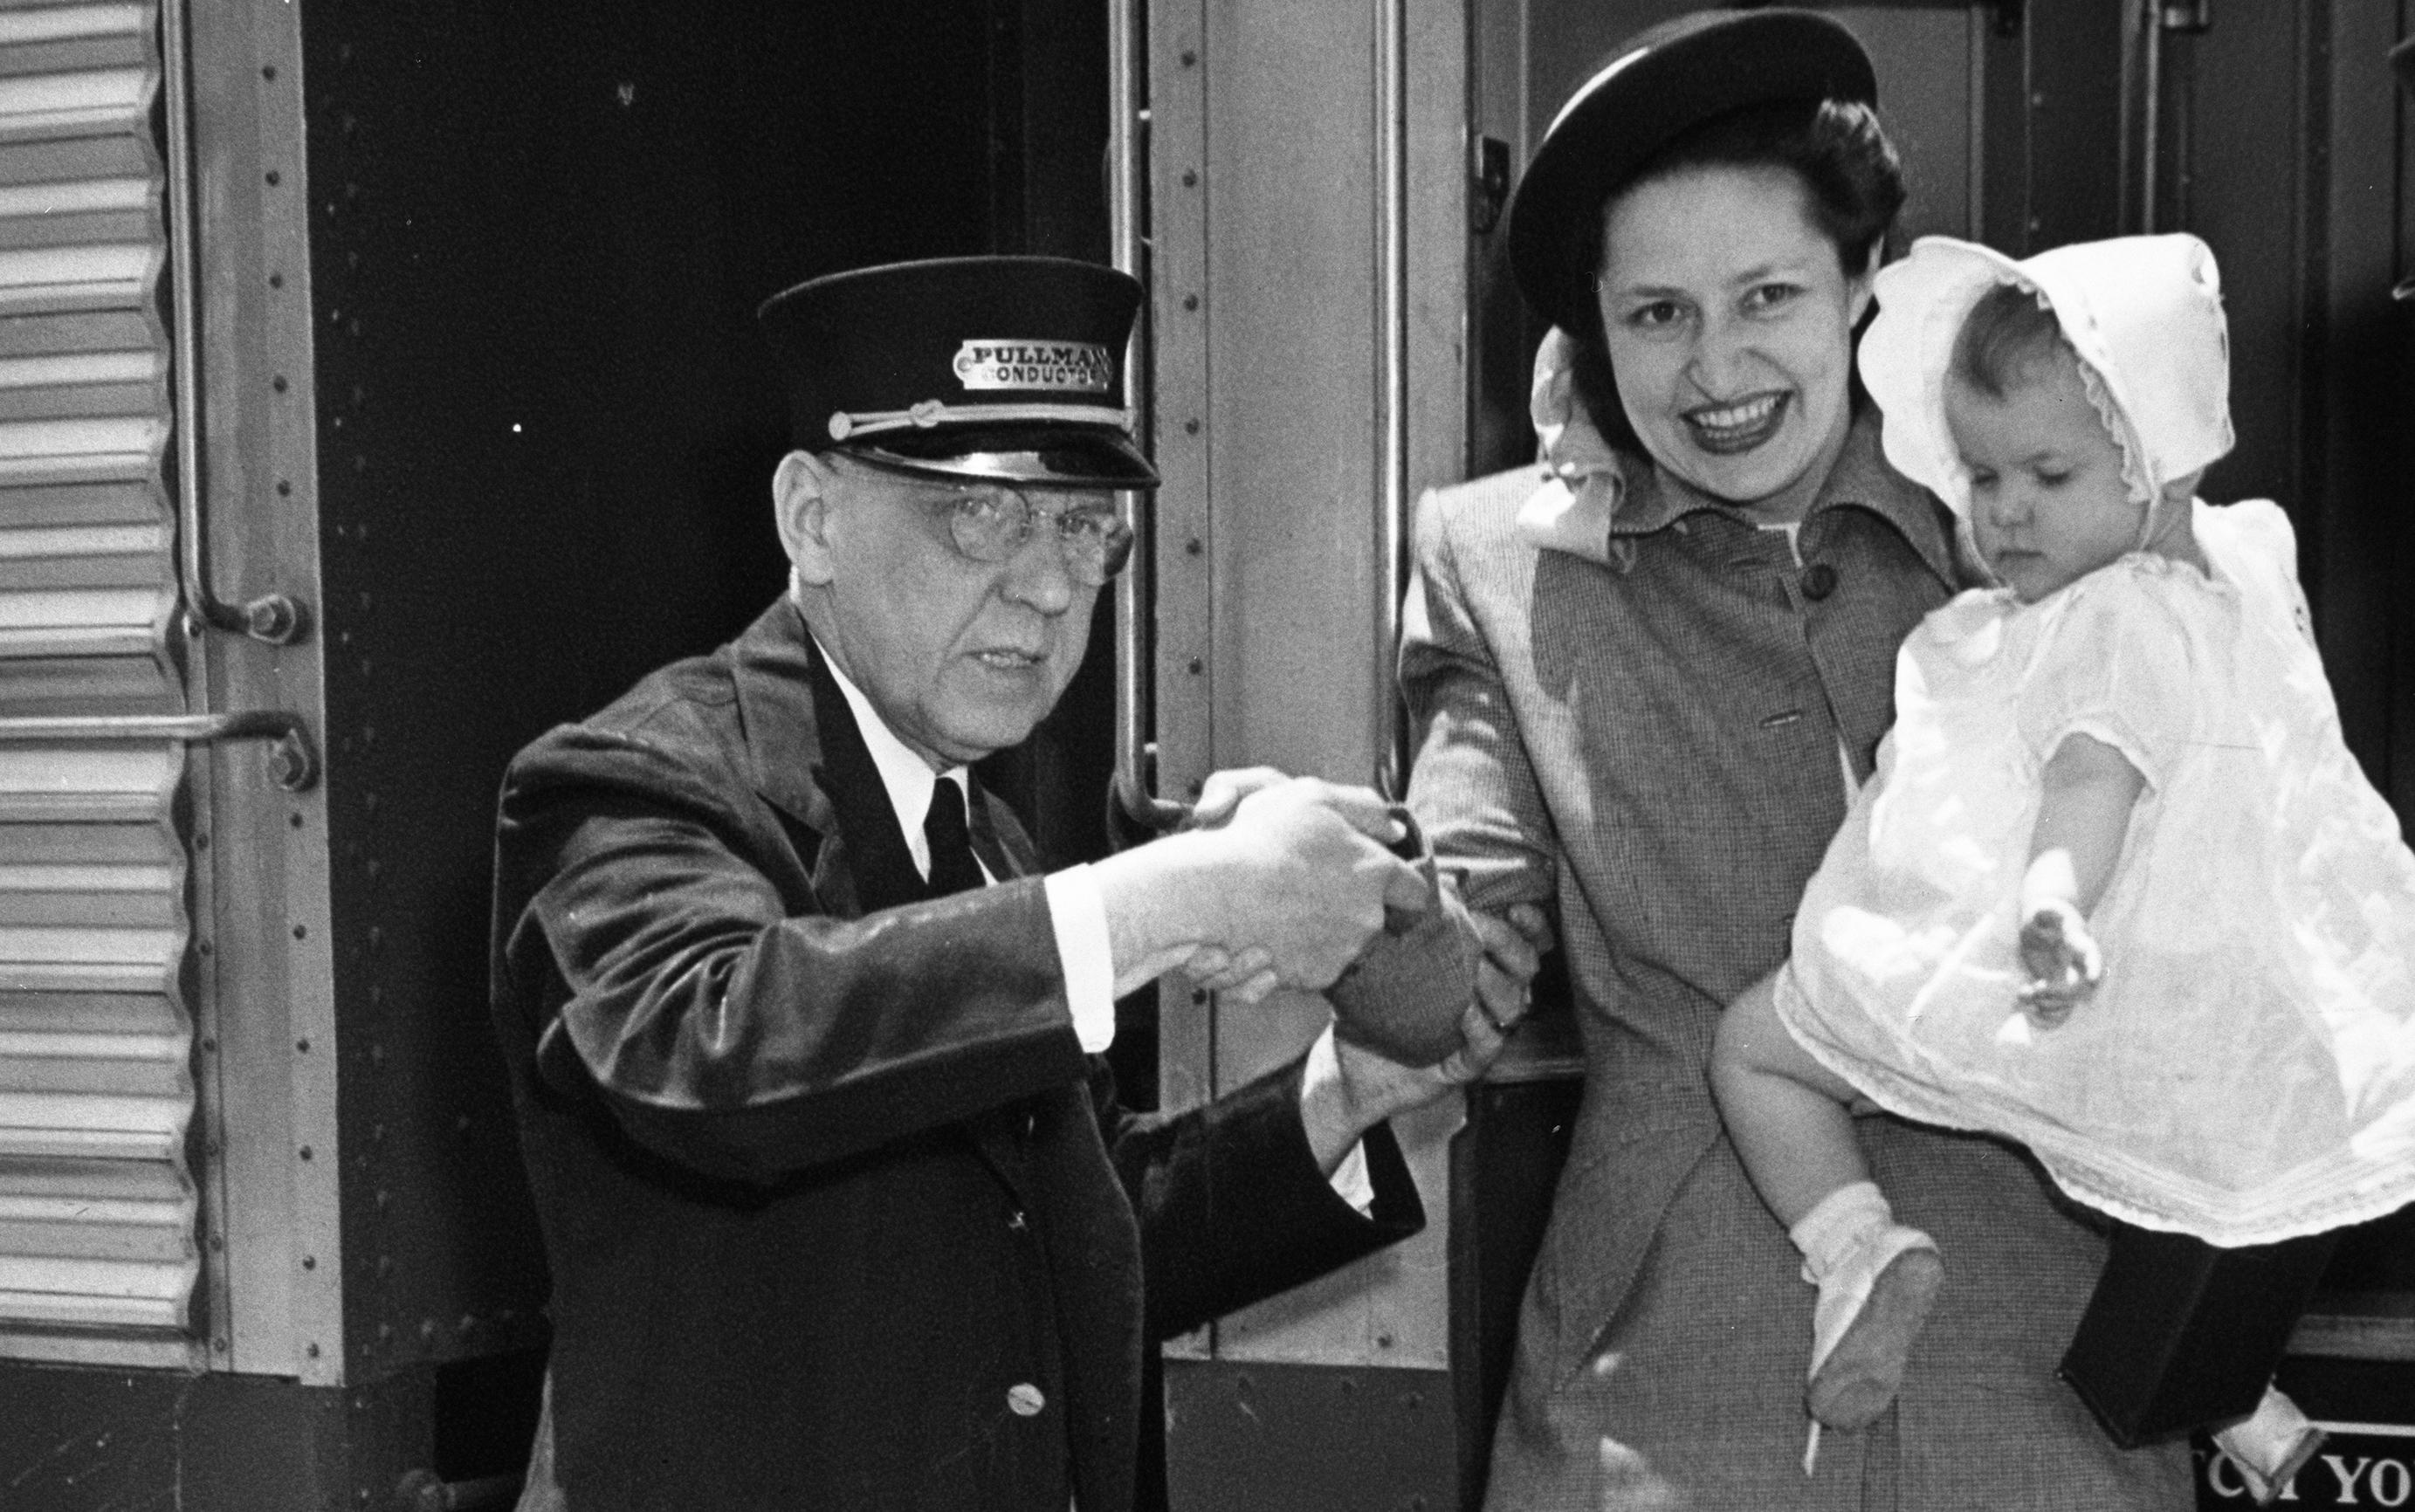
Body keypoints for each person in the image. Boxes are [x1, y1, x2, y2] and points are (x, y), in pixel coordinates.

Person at [487, 254, 1537, 1511]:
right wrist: (1181, 895)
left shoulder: (982, 840)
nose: (1047, 588)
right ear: (810, 519)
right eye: (977, 515)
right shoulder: (631, 781)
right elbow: (714, 1046)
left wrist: (1344, 1089)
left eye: (1087, 530)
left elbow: (1064, 1238)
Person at [1388, 9, 2196, 1507]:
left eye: (1766, 295)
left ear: (1861, 292)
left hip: (2052, 1366)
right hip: (1662, 1393)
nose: (1716, 369)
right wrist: (1352, 910)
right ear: (1591, 333)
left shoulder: (2036, 517)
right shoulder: (1494, 566)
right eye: (1656, 315)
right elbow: (1456, 949)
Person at [1710, 231, 2415, 1499]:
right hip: (2215, 972)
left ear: (2161, 457)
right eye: (1979, 473)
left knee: (1756, 1048)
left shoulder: (2104, 622)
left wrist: (2045, 902)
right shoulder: (2239, 560)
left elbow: (2094, 775)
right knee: (2166, 1181)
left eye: (2047, 472)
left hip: (2062, 951)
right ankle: (2225, 1384)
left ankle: (1857, 1249)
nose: (2004, 511)